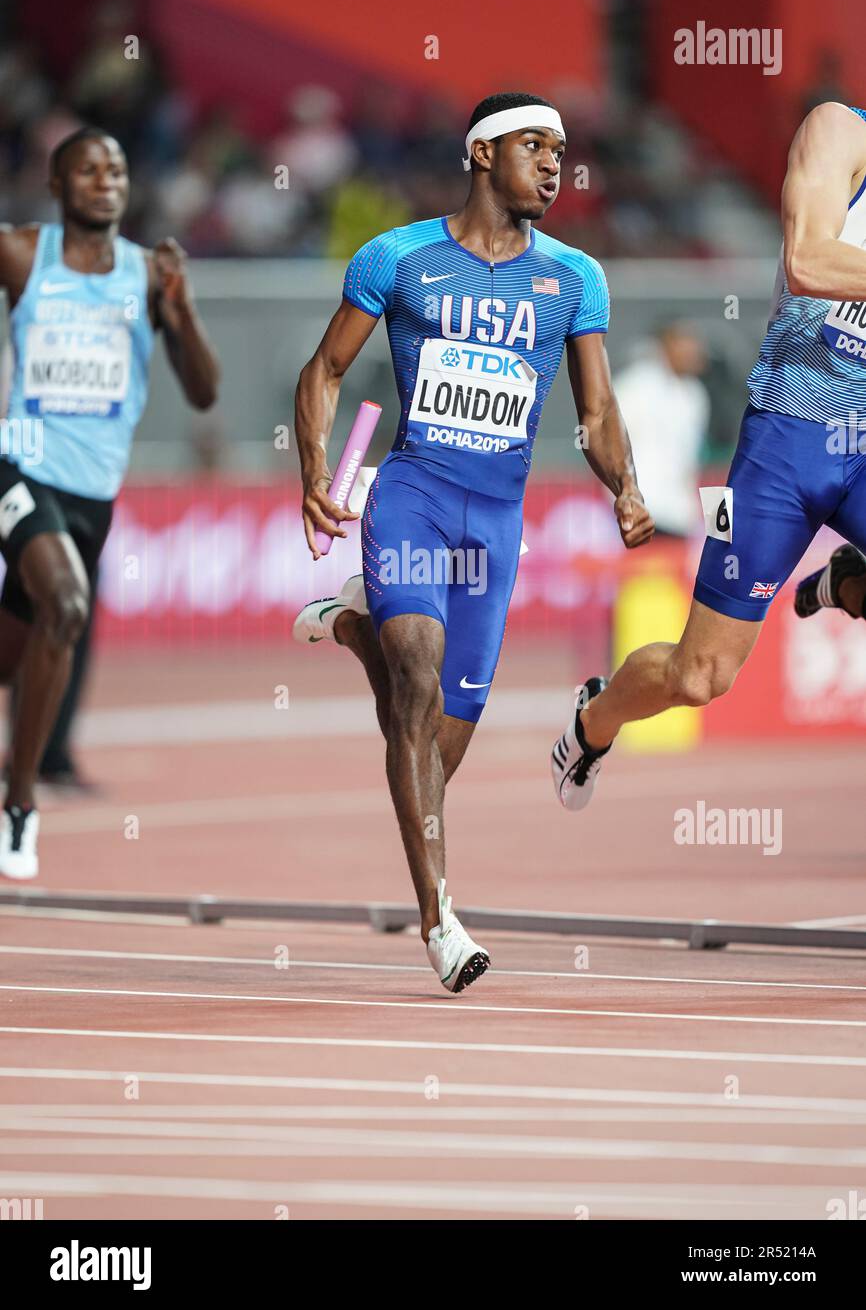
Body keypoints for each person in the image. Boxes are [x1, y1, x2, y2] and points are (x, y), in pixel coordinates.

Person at [293, 92, 653, 992]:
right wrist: (311, 469)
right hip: (412, 496)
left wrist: (627, 484)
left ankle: (351, 625)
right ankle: (440, 923)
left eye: (562, 150)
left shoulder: (575, 278)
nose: (554, 163)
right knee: (414, 692)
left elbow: (597, 410)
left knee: (432, 753)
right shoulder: (400, 258)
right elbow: (326, 369)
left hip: (495, 525)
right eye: (536, 145)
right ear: (483, 152)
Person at [550, 101, 866, 812]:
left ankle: (845, 583)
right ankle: (595, 720)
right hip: (787, 443)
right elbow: (809, 259)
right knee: (701, 677)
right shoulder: (841, 131)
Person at [0, 127, 220, 878]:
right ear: (59, 186)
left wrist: (181, 309)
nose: (106, 181)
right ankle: (20, 805)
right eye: (87, 171)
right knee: (66, 602)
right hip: (19, 465)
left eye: (117, 169)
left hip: (95, 490)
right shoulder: (23, 254)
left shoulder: (147, 276)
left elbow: (203, 392)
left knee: (18, 648)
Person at [613, 321, 709, 539]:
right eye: (685, 344)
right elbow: (610, 443)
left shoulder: (694, 394)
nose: (693, 352)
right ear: (666, 345)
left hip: (679, 512)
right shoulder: (634, 386)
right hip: (644, 509)